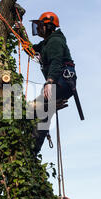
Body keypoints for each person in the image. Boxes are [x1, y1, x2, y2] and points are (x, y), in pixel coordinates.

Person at [28, 12, 77, 153]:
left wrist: (49, 81)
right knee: (42, 111)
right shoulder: (46, 43)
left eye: (41, 26)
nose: (38, 29)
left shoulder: (55, 41)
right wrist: (20, 32)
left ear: (48, 26)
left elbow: (56, 62)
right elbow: (30, 49)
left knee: (34, 108)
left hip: (62, 82)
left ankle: (33, 146)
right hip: (60, 83)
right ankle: (34, 144)